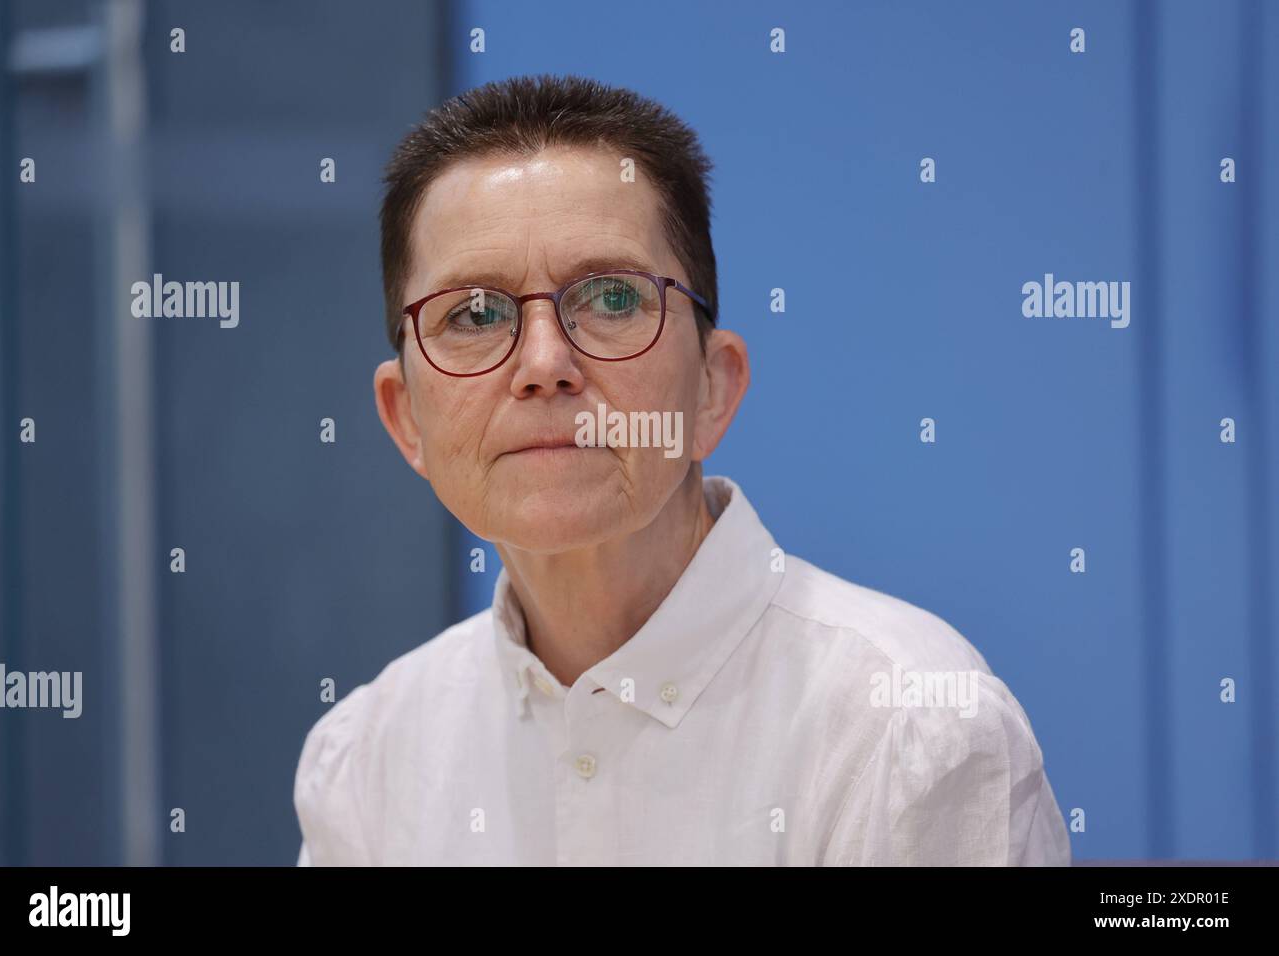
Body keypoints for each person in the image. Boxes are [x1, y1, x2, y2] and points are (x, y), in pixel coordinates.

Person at [293, 73, 1071, 866]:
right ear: (406, 419)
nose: (543, 363)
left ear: (712, 387)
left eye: (611, 298)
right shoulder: (365, 761)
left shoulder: (908, 730)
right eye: (475, 314)